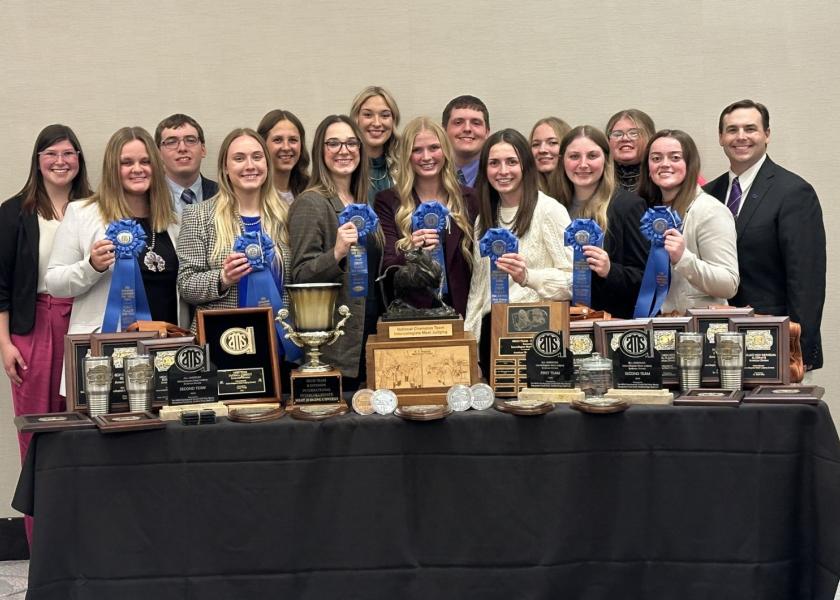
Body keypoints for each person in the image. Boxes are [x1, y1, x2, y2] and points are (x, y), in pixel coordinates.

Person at [0, 124, 92, 541]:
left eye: (68, 153)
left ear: (79, 160)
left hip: (84, 323)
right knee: (37, 436)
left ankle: (84, 540)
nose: (60, 161)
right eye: (51, 154)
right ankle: (43, 546)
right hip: (33, 328)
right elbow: (1, 284)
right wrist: (5, 344)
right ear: (37, 161)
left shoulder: (94, 208)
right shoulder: (14, 212)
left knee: (85, 428)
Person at [704, 99, 826, 370]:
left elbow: (806, 281)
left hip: (771, 341)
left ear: (767, 134)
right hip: (714, 340)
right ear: (721, 138)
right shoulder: (708, 194)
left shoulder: (793, 192)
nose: (741, 137)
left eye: (750, 128)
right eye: (732, 130)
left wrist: (798, 350)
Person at [46, 126, 182, 333]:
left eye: (145, 161)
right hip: (108, 343)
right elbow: (55, 284)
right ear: (112, 168)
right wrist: (91, 266)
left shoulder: (175, 222)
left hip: (169, 342)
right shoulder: (81, 214)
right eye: (126, 163)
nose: (138, 169)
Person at [464, 129, 573, 376]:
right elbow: (478, 291)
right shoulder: (483, 219)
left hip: (537, 338)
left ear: (525, 166)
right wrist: (470, 348)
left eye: (511, 162)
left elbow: (573, 281)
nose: (503, 171)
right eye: (494, 163)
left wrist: (528, 277)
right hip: (493, 337)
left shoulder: (549, 211)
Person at [289, 115, 383, 389]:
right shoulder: (311, 203)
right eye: (334, 143)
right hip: (337, 344)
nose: (344, 150)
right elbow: (300, 276)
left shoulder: (365, 202)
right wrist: (337, 253)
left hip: (372, 334)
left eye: (352, 143)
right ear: (320, 151)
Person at [374, 116, 478, 317]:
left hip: (464, 313)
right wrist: (410, 251)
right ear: (407, 155)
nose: (426, 156)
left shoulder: (470, 199)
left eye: (434, 148)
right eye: (417, 150)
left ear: (445, 150)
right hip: (412, 316)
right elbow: (386, 267)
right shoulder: (388, 201)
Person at [638, 130, 738, 314]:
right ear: (648, 168)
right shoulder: (647, 213)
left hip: (698, 326)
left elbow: (729, 284)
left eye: (675, 157)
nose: (665, 164)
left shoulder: (710, 211)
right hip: (656, 323)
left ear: (690, 164)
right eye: (656, 158)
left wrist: (683, 259)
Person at [556, 125, 648, 318]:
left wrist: (610, 270)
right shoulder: (553, 207)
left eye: (592, 156)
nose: (583, 164)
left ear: (606, 159)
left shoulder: (628, 207)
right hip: (561, 321)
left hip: (610, 323)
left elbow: (646, 279)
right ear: (562, 160)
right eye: (574, 156)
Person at [155, 114, 219, 216]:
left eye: (190, 140)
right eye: (171, 142)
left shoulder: (223, 195)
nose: (182, 148)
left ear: (203, 150)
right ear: (159, 153)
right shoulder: (147, 198)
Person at [350, 86, 400, 204]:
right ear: (356, 119)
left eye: (385, 115)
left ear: (393, 121)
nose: (377, 123)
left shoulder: (404, 169)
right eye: (368, 115)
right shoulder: (344, 169)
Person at [257, 109, 310, 205]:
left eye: (293, 140)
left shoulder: (310, 190)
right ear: (262, 144)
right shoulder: (253, 194)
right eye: (277, 140)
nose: (286, 147)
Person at [442, 95, 490, 187]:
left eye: (476, 123)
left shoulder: (498, 176)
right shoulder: (430, 175)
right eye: (458, 122)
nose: (467, 129)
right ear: (444, 131)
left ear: (487, 132)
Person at [605, 109, 656, 194]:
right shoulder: (598, 180)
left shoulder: (660, 178)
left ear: (650, 138)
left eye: (634, 133)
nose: (625, 138)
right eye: (617, 134)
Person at [530, 116, 572, 201]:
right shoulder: (526, 193)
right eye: (536, 144)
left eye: (552, 142)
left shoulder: (579, 191)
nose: (542, 150)